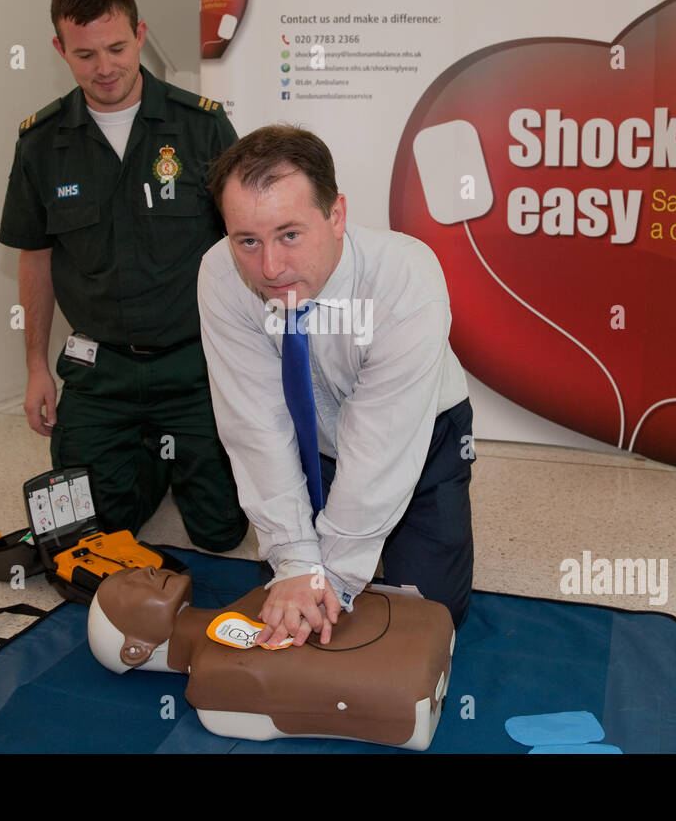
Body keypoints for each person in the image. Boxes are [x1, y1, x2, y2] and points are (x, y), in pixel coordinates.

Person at [0, 0, 246, 553]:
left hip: (194, 366)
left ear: (139, 34)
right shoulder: (42, 142)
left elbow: (245, 242)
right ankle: (148, 464)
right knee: (86, 535)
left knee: (222, 533)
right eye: (84, 54)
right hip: (99, 370)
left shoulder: (202, 126)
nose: (104, 67)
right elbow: (34, 258)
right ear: (61, 50)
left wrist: (253, 360)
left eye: (116, 48)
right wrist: (36, 365)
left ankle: (170, 456)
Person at [197, 125, 475, 646]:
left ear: (337, 215)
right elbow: (256, 424)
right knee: (289, 583)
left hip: (420, 434)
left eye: (290, 234)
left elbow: (380, 445)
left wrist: (333, 576)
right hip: (312, 441)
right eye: (248, 241)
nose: (271, 268)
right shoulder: (218, 274)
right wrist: (296, 559)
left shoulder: (404, 278)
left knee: (428, 615)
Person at [87, 566, 455, 749]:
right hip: (407, 682)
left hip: (415, 643)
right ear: (135, 650)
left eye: (132, 572)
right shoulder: (216, 673)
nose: (147, 570)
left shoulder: (259, 596)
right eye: (131, 587)